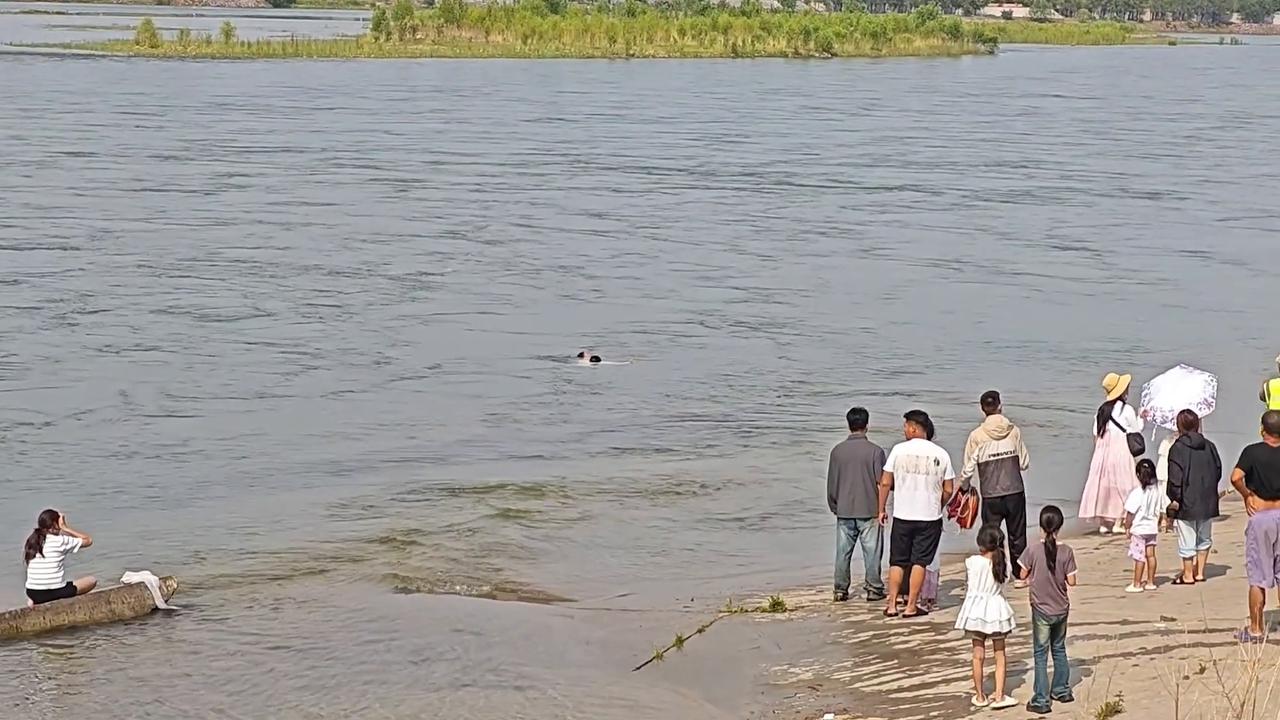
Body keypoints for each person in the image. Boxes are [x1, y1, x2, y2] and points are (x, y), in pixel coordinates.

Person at [877, 409, 955, 619]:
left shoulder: (898, 450)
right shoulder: (941, 454)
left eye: (905, 426)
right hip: (929, 516)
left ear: (913, 427)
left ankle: (892, 605)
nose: (904, 430)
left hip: (903, 514)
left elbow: (885, 482)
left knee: (897, 560)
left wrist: (881, 508)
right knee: (920, 561)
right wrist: (938, 504)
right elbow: (948, 488)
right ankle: (912, 606)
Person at [960, 390, 1031, 587]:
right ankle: (1020, 576)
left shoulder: (976, 436)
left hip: (991, 494)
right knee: (1017, 534)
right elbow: (1024, 462)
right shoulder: (1014, 431)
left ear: (983, 409)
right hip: (1014, 490)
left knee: (992, 535)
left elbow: (968, 468)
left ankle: (999, 574)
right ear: (1000, 406)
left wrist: (964, 488)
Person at [1020, 505, 1077, 714]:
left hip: (1041, 609)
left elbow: (1022, 574)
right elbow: (1072, 581)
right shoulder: (1067, 551)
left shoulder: (1033, 549)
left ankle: (1041, 698)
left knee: (1040, 653)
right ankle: (1062, 689)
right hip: (1061, 607)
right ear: (1060, 527)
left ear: (1041, 527)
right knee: (1059, 648)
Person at [1229, 410, 1280, 644]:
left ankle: (1256, 628)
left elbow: (1235, 477)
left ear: (1263, 430)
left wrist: (1246, 494)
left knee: (1258, 576)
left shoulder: (1252, 452)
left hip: (1261, 515)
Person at [827, 407, 887, 603]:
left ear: (848, 424)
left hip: (844, 508)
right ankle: (873, 588)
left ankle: (840, 589)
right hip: (869, 508)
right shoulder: (876, 452)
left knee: (843, 552)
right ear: (867, 425)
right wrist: (882, 509)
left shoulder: (837, 451)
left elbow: (832, 482)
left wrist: (835, 505)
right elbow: (882, 482)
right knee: (872, 552)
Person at [955, 524, 1018, 710]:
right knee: (1000, 655)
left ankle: (980, 695)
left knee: (977, 655)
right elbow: (1005, 581)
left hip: (975, 611)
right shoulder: (1002, 564)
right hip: (996, 611)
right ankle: (999, 696)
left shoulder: (972, 562)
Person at [1080, 372, 1144, 534]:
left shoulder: (1101, 410)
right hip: (1121, 451)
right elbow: (1135, 430)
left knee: (1104, 487)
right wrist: (1142, 417)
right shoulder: (1126, 409)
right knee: (1126, 485)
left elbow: (1096, 433)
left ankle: (1103, 523)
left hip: (1101, 453)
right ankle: (1118, 522)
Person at [1166, 409, 1223, 586]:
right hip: (1207, 499)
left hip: (1186, 502)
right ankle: (1200, 573)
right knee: (1204, 537)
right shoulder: (1210, 446)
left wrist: (1174, 496)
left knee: (1186, 538)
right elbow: (1218, 470)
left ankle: (1189, 575)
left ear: (1179, 425)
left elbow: (1175, 477)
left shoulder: (1177, 448)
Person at [24, 509, 96, 606]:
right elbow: (88, 540)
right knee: (91, 580)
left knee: (44, 587)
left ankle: (33, 602)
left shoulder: (32, 540)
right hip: (55, 592)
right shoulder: (60, 541)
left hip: (32, 592)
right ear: (55, 524)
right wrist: (65, 528)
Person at [1123, 459, 1163, 593]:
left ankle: (1137, 583)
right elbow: (1161, 509)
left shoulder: (1137, 492)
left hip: (1139, 529)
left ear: (1139, 475)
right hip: (1152, 528)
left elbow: (1130, 513)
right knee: (1150, 555)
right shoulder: (1157, 491)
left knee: (1139, 557)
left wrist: (1127, 527)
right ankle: (1151, 582)